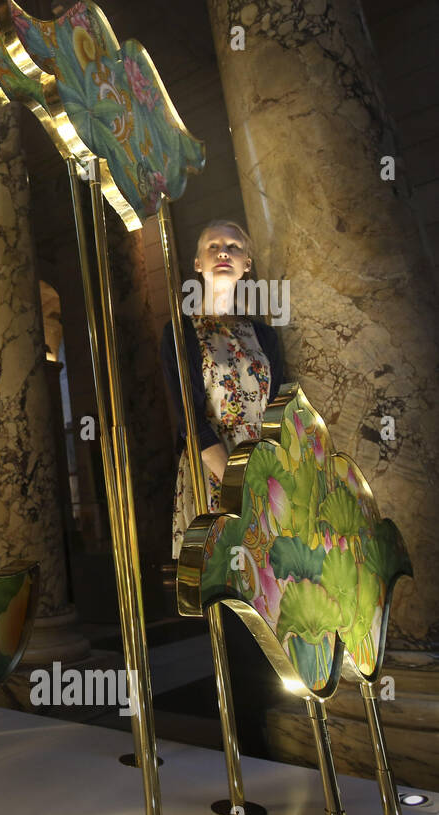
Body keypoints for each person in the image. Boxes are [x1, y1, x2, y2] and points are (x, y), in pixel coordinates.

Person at [160, 219, 285, 757]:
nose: (225, 252)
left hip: (269, 472)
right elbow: (189, 413)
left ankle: (280, 723)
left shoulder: (265, 332)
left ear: (249, 262)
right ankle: (243, 738)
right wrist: (235, 480)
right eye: (213, 245)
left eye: (235, 246)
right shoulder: (181, 328)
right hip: (216, 473)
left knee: (275, 595)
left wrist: (273, 476)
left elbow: (281, 404)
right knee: (231, 601)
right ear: (197, 262)